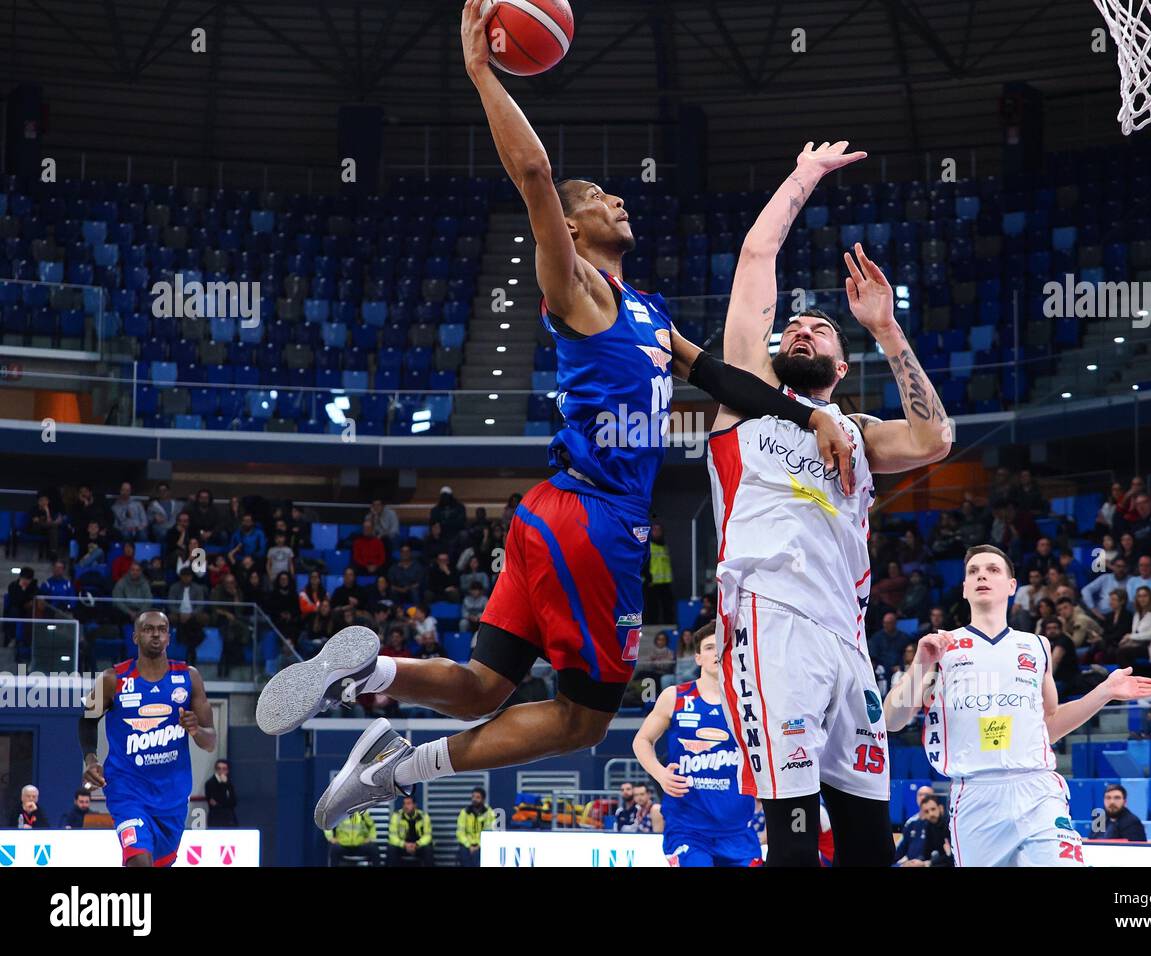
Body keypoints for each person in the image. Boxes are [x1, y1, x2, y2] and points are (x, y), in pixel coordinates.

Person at [255, 5, 858, 834]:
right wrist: (482, 75)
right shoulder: (576, 287)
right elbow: (536, 175)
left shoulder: (645, 311)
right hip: (595, 521)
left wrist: (804, 415)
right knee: (581, 722)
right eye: (600, 197)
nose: (616, 199)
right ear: (572, 230)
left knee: (482, 686)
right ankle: (396, 771)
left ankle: (369, 675)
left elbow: (718, 375)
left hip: (555, 515)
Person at [707, 146, 954, 868]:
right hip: (771, 616)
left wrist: (885, 327)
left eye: (819, 330)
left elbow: (936, 438)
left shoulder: (857, 430)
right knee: (790, 823)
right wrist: (803, 177)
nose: (800, 331)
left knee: (867, 838)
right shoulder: (746, 399)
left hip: (847, 640)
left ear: (843, 368)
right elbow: (757, 257)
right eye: (793, 329)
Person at [883, 544, 1151, 867]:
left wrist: (1103, 692)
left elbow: (1050, 724)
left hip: (1037, 790)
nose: (982, 574)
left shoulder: (1037, 645)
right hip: (975, 795)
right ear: (964, 588)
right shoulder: (941, 646)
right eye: (973, 571)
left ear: (1012, 586)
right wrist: (920, 663)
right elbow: (892, 720)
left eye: (993, 569)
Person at [80, 609, 216, 866]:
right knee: (139, 860)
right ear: (135, 637)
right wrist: (90, 759)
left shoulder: (189, 678)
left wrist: (196, 729)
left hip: (172, 795)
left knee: (155, 863)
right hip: (126, 789)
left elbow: (211, 742)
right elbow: (86, 720)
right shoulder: (113, 679)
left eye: (162, 629)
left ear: (169, 637)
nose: (155, 634)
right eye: (148, 629)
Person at [632, 623, 762, 867]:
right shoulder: (675, 696)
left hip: (737, 829)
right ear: (698, 657)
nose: (716, 653)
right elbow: (641, 740)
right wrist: (660, 774)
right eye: (709, 647)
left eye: (721, 647)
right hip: (688, 828)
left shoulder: (750, 702)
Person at [894, 794, 952, 866]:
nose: (931, 814)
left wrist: (927, 863)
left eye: (933, 809)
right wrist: (916, 862)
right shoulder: (928, 826)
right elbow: (926, 853)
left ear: (940, 808)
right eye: (926, 811)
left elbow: (951, 857)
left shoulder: (950, 826)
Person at [167, 566, 210, 665]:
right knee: (170, 618)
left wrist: (190, 614)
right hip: (178, 615)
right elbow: (171, 604)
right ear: (181, 576)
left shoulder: (198, 588)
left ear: (191, 577)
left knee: (202, 618)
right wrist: (179, 613)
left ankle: (189, 648)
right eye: (184, 576)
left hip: (193, 615)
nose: (186, 578)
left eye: (188, 576)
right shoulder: (174, 587)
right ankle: (191, 650)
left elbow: (200, 605)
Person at [1115, 585, 1151, 669]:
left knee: (1122, 652)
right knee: (1115, 650)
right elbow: (1135, 632)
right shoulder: (1137, 614)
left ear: (1150, 597)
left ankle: (1129, 677)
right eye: (1139, 596)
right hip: (1138, 645)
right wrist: (1127, 639)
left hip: (1150, 647)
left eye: (1145, 596)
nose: (1142, 599)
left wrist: (1130, 636)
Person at [388, 794, 434, 867]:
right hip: (403, 846)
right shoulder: (396, 816)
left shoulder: (423, 816)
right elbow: (392, 836)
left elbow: (428, 836)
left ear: (415, 805)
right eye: (404, 803)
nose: (406, 806)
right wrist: (404, 844)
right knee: (391, 848)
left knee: (428, 849)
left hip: (418, 846)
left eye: (409, 803)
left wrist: (417, 844)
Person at [643, 523, 675, 625]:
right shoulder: (648, 546)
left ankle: (668, 622)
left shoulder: (664, 545)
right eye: (655, 530)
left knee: (667, 605)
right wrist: (648, 578)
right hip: (652, 581)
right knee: (652, 606)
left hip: (665, 581)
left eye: (659, 530)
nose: (657, 532)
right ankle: (652, 623)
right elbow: (643, 564)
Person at [455, 787, 496, 866]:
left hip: (482, 845)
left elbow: (490, 832)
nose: (474, 799)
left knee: (480, 855)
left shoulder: (489, 812)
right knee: (464, 853)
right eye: (473, 797)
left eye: (478, 797)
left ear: (483, 799)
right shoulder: (465, 812)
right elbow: (460, 832)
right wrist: (468, 845)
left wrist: (479, 845)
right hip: (467, 844)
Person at [204, 759, 238, 827]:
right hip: (216, 818)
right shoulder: (210, 783)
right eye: (219, 768)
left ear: (227, 770)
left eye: (224, 769)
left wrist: (226, 784)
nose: (221, 771)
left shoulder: (229, 783)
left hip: (229, 818)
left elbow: (233, 802)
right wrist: (223, 785)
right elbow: (216, 802)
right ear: (216, 770)